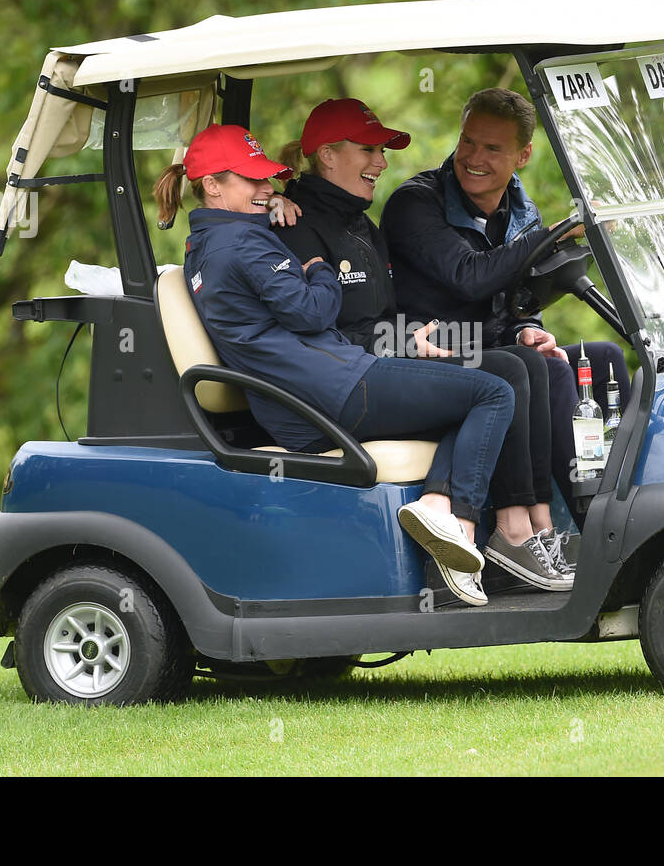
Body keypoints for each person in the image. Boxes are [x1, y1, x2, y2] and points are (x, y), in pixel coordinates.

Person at [153, 123, 514, 607]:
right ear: (213, 185)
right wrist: (318, 265)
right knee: (494, 389)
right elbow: (316, 309)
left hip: (316, 392)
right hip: (333, 389)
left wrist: (270, 211)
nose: (267, 190)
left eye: (268, 180)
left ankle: (438, 508)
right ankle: (462, 531)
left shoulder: (207, 242)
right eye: (253, 182)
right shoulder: (245, 244)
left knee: (477, 384)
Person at [273, 99, 574, 599]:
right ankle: (503, 530)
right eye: (369, 150)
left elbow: (385, 310)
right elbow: (313, 324)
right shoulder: (298, 222)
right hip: (350, 372)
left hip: (393, 347)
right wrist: (272, 200)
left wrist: (519, 326)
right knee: (501, 379)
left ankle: (536, 528)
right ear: (327, 155)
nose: (382, 163)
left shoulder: (360, 225)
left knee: (523, 360)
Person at [382, 88, 628, 539]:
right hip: (426, 354)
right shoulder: (416, 203)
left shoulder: (521, 212)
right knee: (533, 370)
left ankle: (613, 507)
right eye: (468, 142)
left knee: (603, 356)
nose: (473, 157)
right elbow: (469, 276)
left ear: (523, 155)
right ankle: (568, 528)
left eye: (493, 148)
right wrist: (549, 236)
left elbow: (519, 299)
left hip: (493, 349)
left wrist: (528, 330)